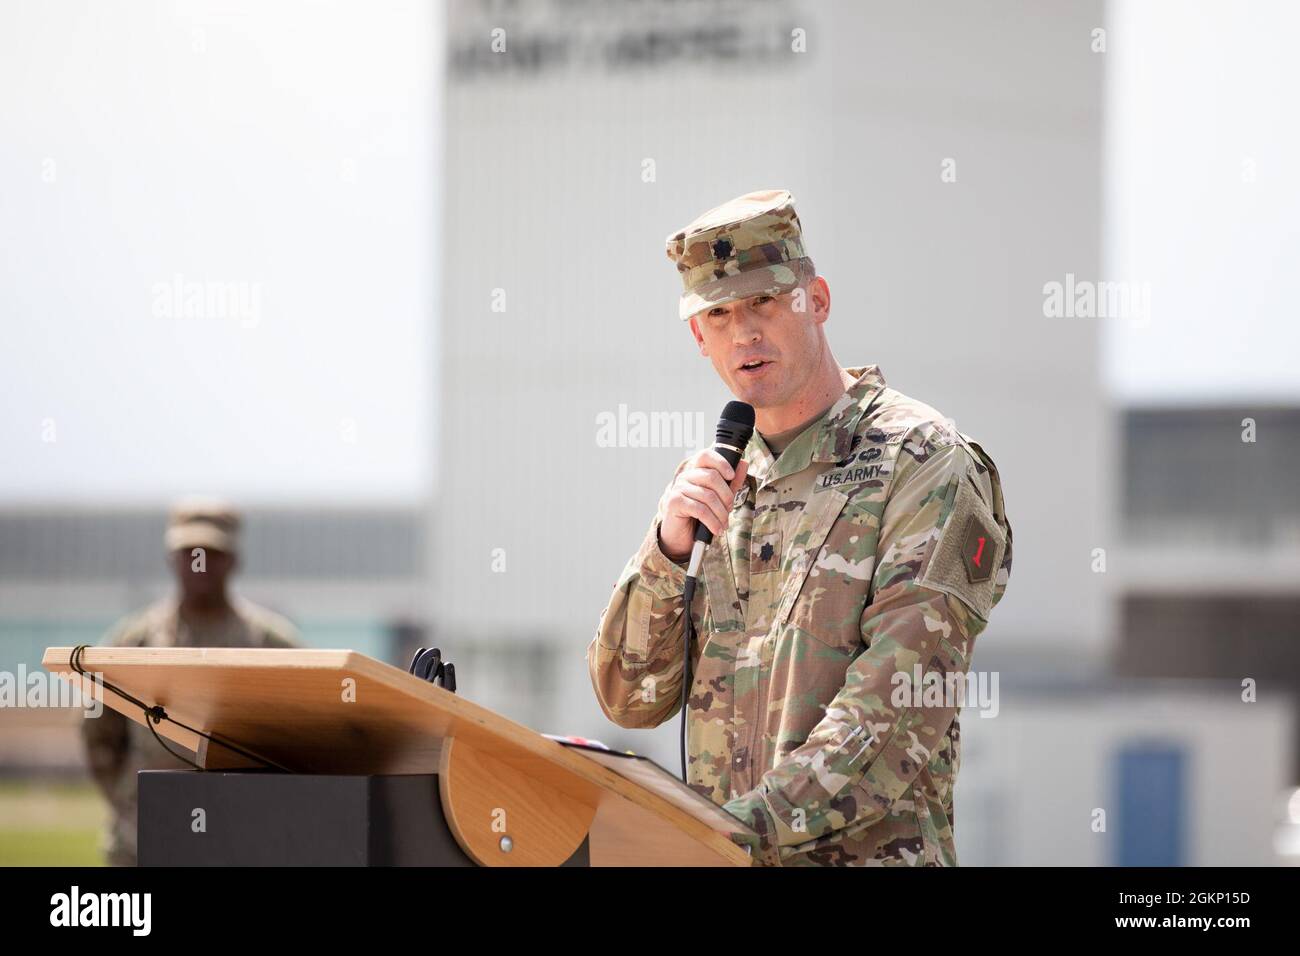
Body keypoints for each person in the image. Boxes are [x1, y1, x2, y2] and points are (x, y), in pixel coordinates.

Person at [587, 189, 1013, 866]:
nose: (744, 333)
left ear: (815, 301)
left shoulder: (921, 461)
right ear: (700, 338)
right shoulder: (713, 486)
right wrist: (667, 551)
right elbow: (628, 697)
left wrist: (722, 834)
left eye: (764, 303)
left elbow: (897, 709)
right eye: (719, 315)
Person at [80, 497, 300, 866]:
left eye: (212, 552)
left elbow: (306, 732)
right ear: (171, 558)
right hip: (143, 840)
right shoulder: (133, 642)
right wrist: (127, 797)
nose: (200, 563)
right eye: (190, 551)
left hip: (242, 839)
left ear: (234, 560)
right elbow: (97, 730)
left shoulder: (272, 644)